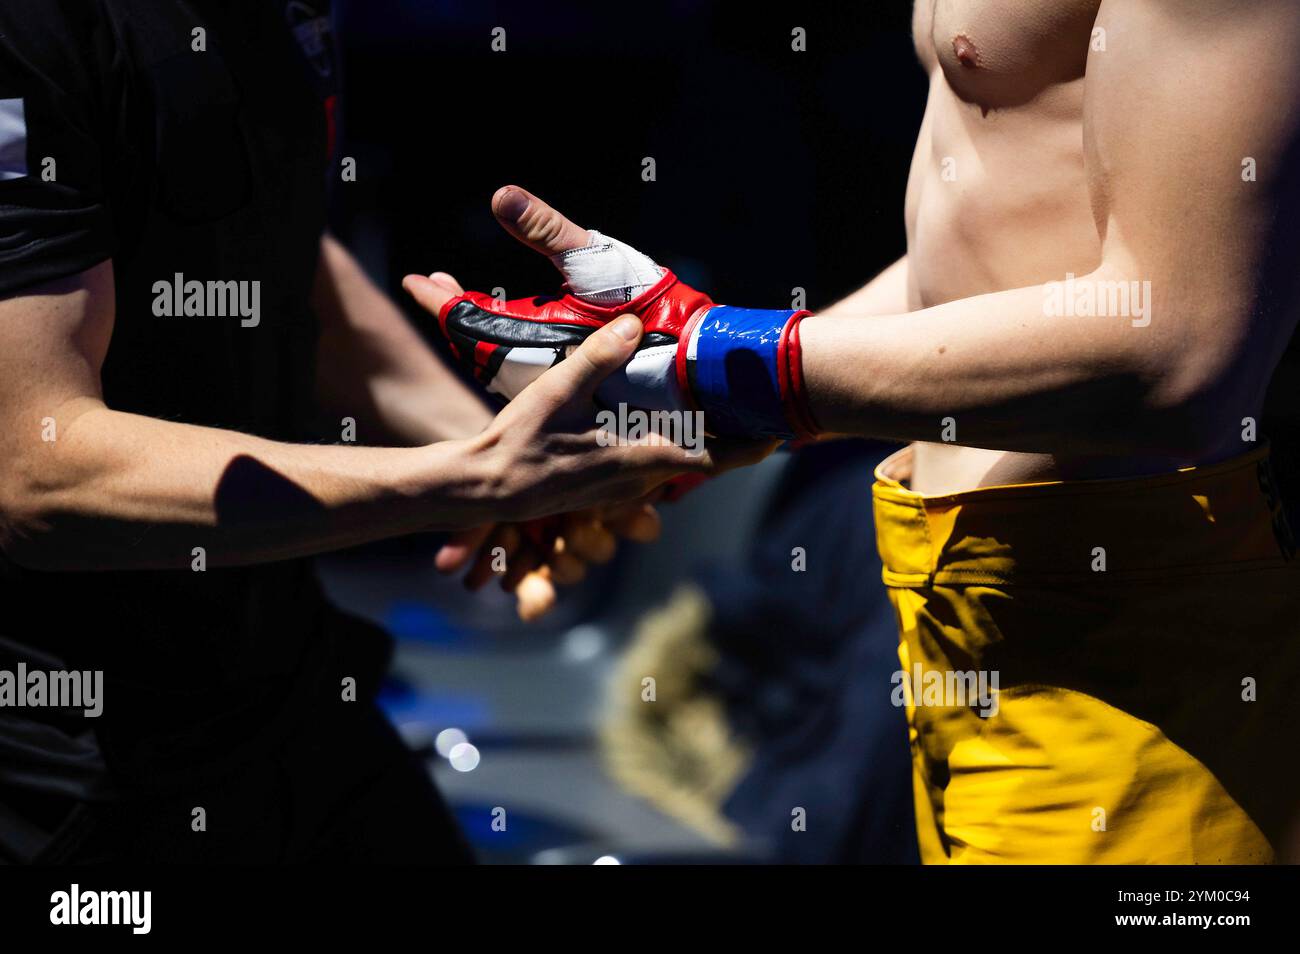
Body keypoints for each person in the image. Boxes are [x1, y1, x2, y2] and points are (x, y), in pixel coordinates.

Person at [412, 0, 1300, 863]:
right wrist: (685, 421)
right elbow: (987, 255)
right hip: (954, 608)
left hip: (1129, 637)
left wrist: (718, 367)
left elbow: (1182, 352)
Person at [0, 1, 752, 864]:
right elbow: (36, 473)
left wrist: (503, 452)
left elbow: (276, 258)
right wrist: (466, 478)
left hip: (283, 672)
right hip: (71, 757)